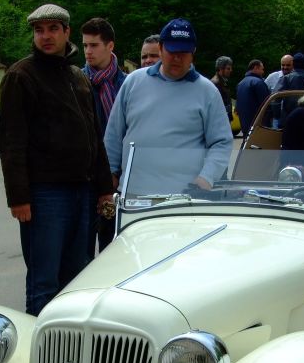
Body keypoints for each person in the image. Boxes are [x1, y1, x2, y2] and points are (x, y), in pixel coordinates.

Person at [0, 3, 113, 316]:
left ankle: (72, 352)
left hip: (83, 191)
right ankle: (37, 355)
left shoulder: (78, 78)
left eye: (52, 29)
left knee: (78, 277)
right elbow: (11, 142)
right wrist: (19, 197)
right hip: (44, 194)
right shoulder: (20, 76)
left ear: (66, 32)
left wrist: (104, 188)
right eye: (39, 30)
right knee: (44, 282)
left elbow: (95, 138)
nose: (45, 36)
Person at [104, 17, 233, 195]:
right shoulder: (133, 82)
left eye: (183, 52)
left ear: (193, 52)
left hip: (184, 198)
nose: (177, 58)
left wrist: (207, 177)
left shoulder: (208, 92)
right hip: (133, 194)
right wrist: (109, 175)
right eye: (172, 51)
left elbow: (221, 142)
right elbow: (113, 135)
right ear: (161, 48)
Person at [81, 17, 127, 252]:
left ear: (110, 46)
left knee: (115, 248)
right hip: (87, 179)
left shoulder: (127, 85)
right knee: (83, 253)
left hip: (121, 180)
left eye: (94, 45)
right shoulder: (76, 82)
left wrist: (116, 172)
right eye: (85, 45)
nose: (88, 52)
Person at [235, 59, 270, 138]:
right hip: (257, 126)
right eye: (262, 69)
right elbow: (266, 104)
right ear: (256, 67)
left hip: (244, 126)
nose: (263, 72)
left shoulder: (240, 83)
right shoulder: (258, 83)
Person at [210, 56, 234, 123]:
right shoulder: (216, 83)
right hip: (221, 121)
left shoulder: (221, 82)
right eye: (228, 68)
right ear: (220, 69)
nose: (231, 70)